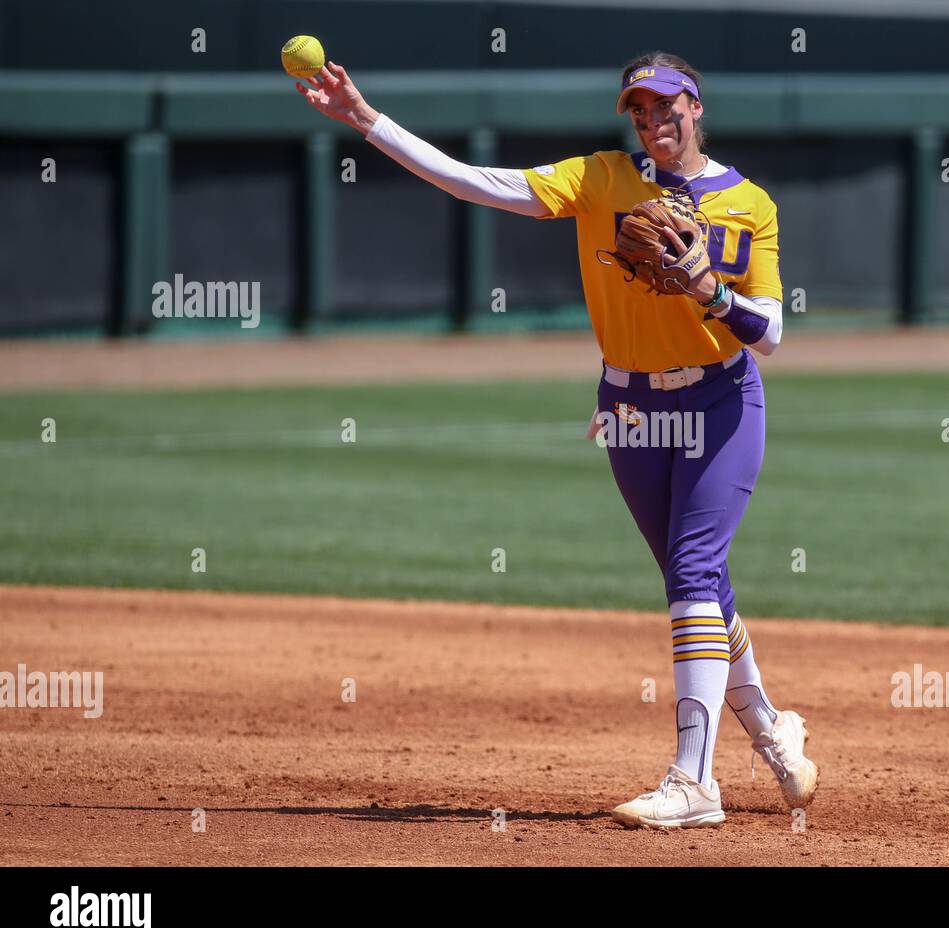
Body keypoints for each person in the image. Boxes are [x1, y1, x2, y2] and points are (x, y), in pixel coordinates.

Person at [296, 50, 818, 829]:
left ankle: (694, 782)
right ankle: (773, 731)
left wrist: (709, 289)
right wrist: (369, 122)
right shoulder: (603, 179)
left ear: (695, 105)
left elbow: (771, 332)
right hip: (628, 409)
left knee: (692, 571)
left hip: (720, 403)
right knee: (701, 586)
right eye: (638, 110)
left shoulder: (751, 203)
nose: (651, 120)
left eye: (664, 105)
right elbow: (478, 182)